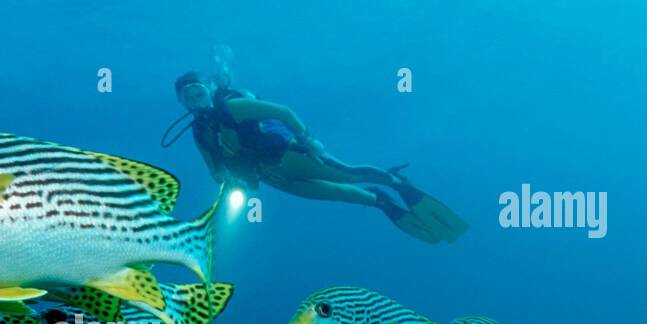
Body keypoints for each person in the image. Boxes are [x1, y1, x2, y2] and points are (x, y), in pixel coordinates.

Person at [165, 71, 468, 244]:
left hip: (289, 155)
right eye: (187, 97)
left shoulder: (232, 107)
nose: (195, 100)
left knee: (346, 174)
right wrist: (228, 180)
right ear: (181, 103)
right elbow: (214, 170)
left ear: (208, 89)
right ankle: (380, 200)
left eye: (198, 92)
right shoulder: (198, 133)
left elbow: (281, 111)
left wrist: (309, 140)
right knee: (336, 193)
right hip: (272, 177)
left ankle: (395, 181)